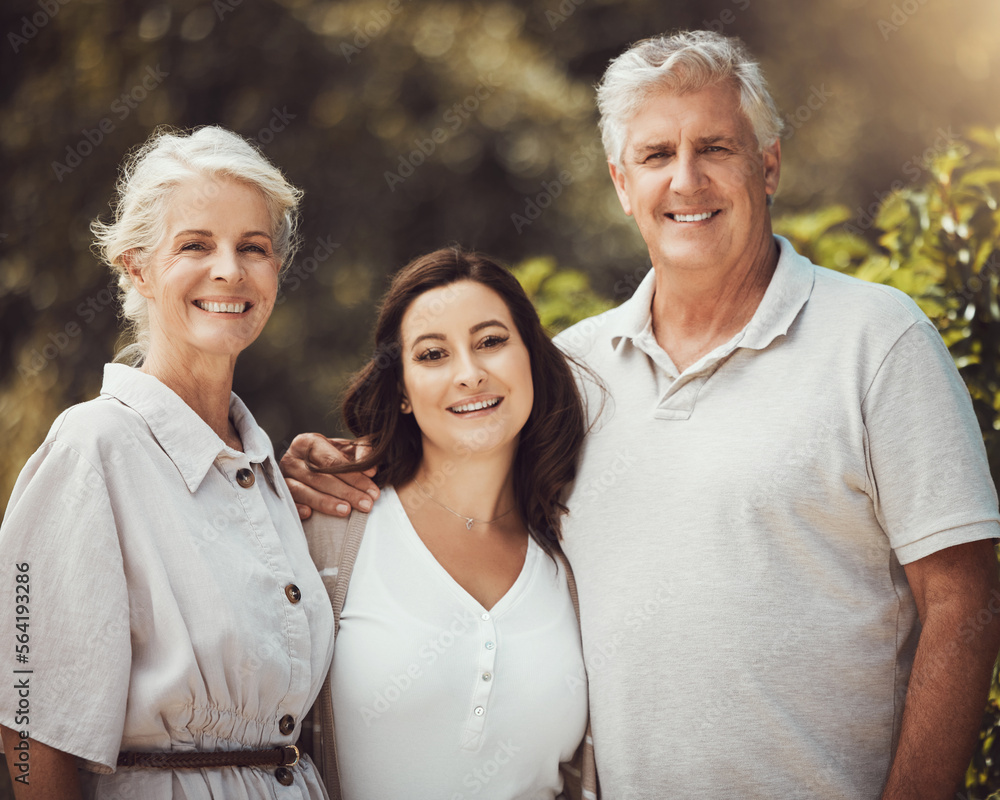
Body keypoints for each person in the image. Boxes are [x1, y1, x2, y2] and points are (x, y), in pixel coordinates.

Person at [280, 30, 1000, 800]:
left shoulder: (877, 340)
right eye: (656, 156)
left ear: (768, 164)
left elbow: (966, 601)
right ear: (623, 183)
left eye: (715, 148)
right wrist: (344, 463)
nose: (685, 181)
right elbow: (463, 452)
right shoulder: (572, 373)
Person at [0, 126, 334, 798]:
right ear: (136, 267)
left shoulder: (268, 470)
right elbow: (26, 719)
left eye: (253, 248)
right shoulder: (91, 448)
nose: (229, 270)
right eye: (195, 245)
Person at [301, 247, 596, 800]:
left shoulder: (576, 552)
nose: (469, 374)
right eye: (433, 355)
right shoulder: (331, 528)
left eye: (490, 341)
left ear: (530, 355)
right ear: (402, 392)